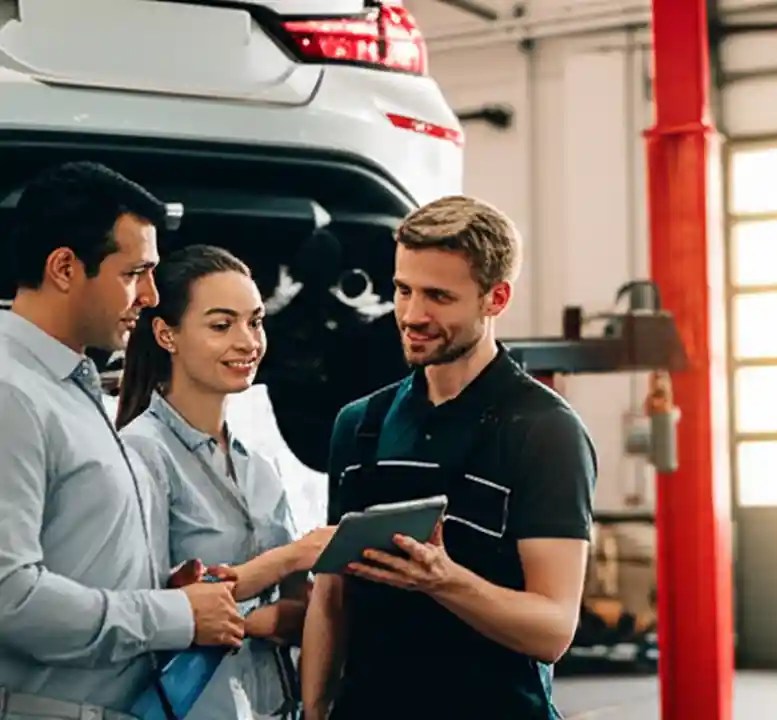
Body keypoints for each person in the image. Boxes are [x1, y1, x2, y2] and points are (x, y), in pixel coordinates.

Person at [301, 196, 598, 719]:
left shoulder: (544, 431)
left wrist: (443, 580)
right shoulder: (360, 425)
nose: (413, 315)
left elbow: (553, 629)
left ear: (495, 298)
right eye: (403, 290)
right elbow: (333, 595)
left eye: (439, 296)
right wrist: (313, 711)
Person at [0, 161, 244, 719]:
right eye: (135, 273)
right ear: (64, 267)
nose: (152, 295)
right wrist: (174, 614)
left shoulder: (71, 388)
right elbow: (9, 598)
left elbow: (73, 555)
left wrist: (161, 584)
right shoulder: (11, 393)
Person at [114, 244, 337, 719]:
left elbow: (299, 603)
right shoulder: (140, 453)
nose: (248, 342)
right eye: (221, 325)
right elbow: (144, 606)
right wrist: (290, 560)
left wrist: (282, 614)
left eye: (254, 322)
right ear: (166, 334)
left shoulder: (258, 466)